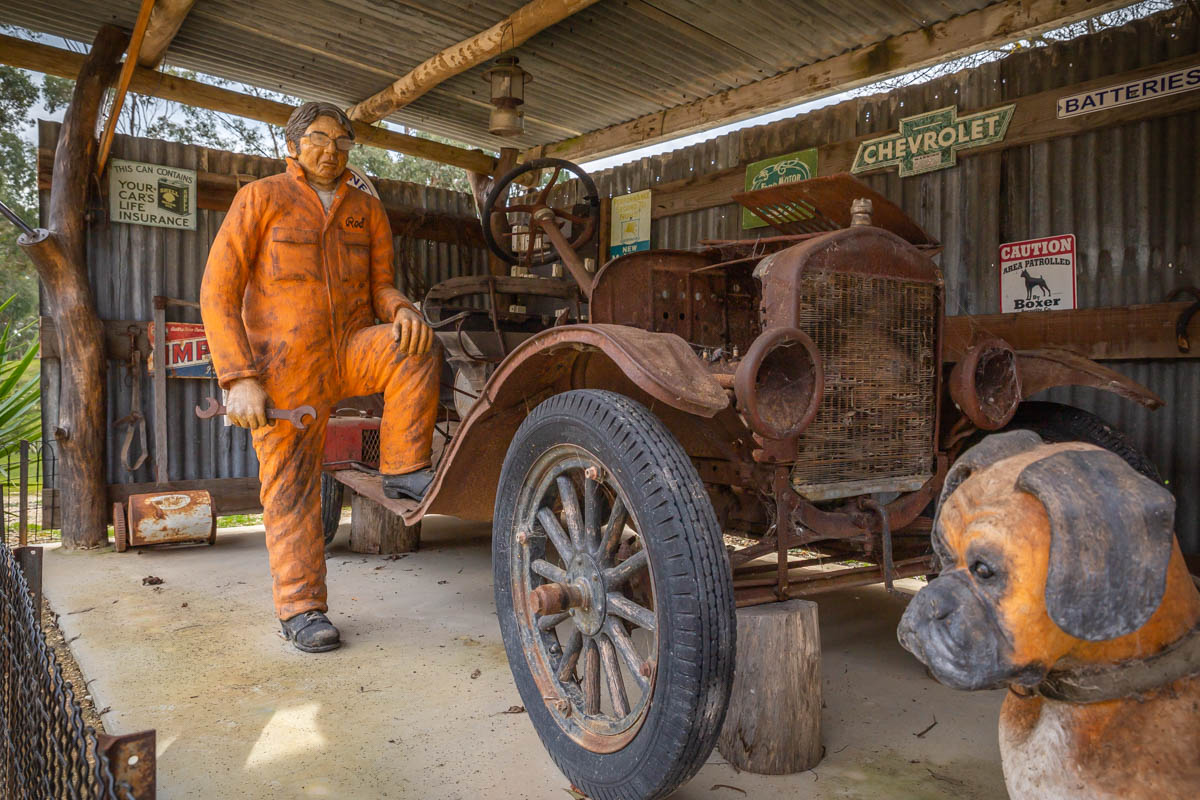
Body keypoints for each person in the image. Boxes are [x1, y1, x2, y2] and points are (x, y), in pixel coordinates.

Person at [200, 101, 439, 653]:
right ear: (293, 145)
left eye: (342, 140)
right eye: (319, 137)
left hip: (352, 346)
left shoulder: (366, 210)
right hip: (284, 368)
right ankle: (301, 607)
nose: (331, 149)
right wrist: (238, 377)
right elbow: (217, 293)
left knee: (415, 349)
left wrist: (402, 309)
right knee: (291, 488)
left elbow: (381, 285)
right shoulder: (260, 199)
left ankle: (403, 469)